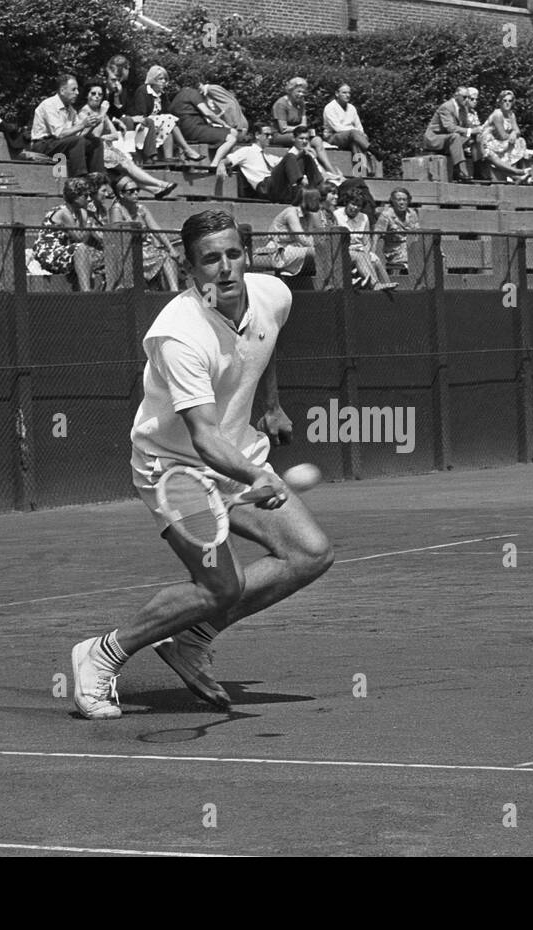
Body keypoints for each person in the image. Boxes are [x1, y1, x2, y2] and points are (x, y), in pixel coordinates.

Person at [70, 209, 333, 719]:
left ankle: (191, 639)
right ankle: (102, 653)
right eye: (210, 260)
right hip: (176, 469)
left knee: (310, 553)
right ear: (191, 271)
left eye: (234, 253)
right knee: (220, 585)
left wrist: (271, 404)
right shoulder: (179, 334)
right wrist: (255, 475)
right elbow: (204, 437)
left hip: (238, 452)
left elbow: (265, 339)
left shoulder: (273, 294)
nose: (226, 268)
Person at [78, 82, 177, 197]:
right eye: (93, 93)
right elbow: (95, 135)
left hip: (107, 150)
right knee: (127, 166)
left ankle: (155, 190)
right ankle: (160, 184)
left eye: (100, 94)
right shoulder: (84, 112)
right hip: (95, 153)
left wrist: (104, 134)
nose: (97, 96)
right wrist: (102, 117)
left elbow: (115, 135)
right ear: (87, 95)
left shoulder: (102, 113)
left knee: (126, 171)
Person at [33, 177, 105, 291]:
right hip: (50, 254)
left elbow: (85, 238)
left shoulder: (82, 212)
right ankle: (87, 293)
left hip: (67, 251)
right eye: (86, 196)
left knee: (95, 253)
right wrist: (90, 221)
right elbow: (79, 239)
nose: (89, 199)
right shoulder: (64, 212)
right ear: (75, 197)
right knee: (81, 249)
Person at [110, 176, 181, 291]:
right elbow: (118, 237)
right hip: (129, 251)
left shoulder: (141, 209)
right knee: (160, 255)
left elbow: (156, 230)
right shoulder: (117, 210)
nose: (136, 193)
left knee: (168, 256)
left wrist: (171, 248)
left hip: (147, 249)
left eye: (137, 190)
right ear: (121, 194)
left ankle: (174, 292)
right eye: (131, 191)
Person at [29, 74, 104, 177]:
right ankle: (79, 179)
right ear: (62, 91)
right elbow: (59, 134)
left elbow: (80, 134)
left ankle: (98, 178)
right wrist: (83, 124)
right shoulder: (49, 105)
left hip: (60, 143)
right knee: (77, 141)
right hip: (43, 144)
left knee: (96, 142)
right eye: (73, 89)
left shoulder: (71, 110)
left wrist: (92, 125)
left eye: (77, 89)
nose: (77, 93)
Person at [270, 77, 342, 178]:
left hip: (297, 133)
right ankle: (321, 173)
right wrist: (300, 128)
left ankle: (330, 169)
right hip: (280, 135)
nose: (301, 94)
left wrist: (301, 129)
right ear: (291, 90)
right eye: (298, 91)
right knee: (304, 140)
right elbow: (283, 128)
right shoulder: (281, 104)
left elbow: (304, 125)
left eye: (303, 92)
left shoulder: (301, 103)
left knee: (317, 140)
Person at [167, 73, 238, 170]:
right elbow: (207, 112)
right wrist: (224, 124)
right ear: (196, 83)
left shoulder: (177, 97)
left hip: (183, 131)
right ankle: (214, 164)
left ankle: (217, 156)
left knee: (231, 132)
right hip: (195, 129)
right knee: (232, 137)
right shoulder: (192, 93)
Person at [130, 65, 202, 162]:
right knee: (169, 120)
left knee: (169, 122)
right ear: (153, 79)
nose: (164, 81)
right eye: (160, 79)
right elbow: (141, 113)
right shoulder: (143, 91)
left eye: (165, 79)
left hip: (159, 123)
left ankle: (169, 158)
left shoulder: (162, 94)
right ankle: (187, 150)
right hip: (144, 123)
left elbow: (167, 111)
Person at [335, 192, 397, 290]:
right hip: (345, 251)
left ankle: (389, 287)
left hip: (361, 251)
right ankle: (375, 284)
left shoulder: (364, 217)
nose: (355, 208)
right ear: (347, 203)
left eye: (358, 206)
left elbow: (366, 241)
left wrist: (368, 253)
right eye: (353, 204)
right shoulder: (337, 215)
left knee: (375, 259)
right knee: (360, 256)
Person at [423, 86, 482, 183]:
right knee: (455, 137)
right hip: (435, 139)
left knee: (475, 137)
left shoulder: (464, 108)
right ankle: (462, 171)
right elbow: (450, 128)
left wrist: (477, 130)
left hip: (448, 139)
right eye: (464, 97)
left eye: (468, 97)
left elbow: (467, 125)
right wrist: (470, 131)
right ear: (456, 96)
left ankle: (478, 171)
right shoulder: (446, 107)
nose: (467, 100)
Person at [479, 89, 533, 184]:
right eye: (504, 100)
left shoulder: (511, 114)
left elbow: (517, 131)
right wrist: (512, 135)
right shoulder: (498, 114)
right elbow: (502, 135)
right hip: (489, 141)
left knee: (520, 140)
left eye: (510, 101)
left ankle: (516, 173)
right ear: (500, 101)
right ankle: (516, 174)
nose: (507, 103)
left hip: (501, 141)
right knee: (514, 142)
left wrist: (514, 133)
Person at [267, 187, 324, 276]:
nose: (320, 204)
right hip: (279, 250)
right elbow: (301, 237)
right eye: (317, 200)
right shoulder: (291, 212)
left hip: (296, 248)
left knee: (322, 251)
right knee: (318, 251)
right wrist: (320, 247)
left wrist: (321, 245)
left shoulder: (308, 215)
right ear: (309, 200)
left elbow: (311, 236)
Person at [322, 84, 373, 176]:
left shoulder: (352, 108)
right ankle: (371, 150)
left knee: (355, 143)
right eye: (344, 93)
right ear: (337, 94)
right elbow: (337, 128)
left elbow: (359, 126)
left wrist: (361, 135)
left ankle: (359, 173)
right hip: (333, 137)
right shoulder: (329, 108)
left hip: (351, 137)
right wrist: (355, 132)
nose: (347, 95)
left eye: (349, 93)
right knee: (354, 134)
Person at [265, 125, 324, 206]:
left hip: (292, 191)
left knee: (307, 158)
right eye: (301, 138)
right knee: (291, 157)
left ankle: (319, 191)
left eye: (306, 139)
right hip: (277, 188)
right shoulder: (289, 155)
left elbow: (318, 173)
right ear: (293, 138)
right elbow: (279, 171)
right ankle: (302, 185)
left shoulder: (307, 155)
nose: (304, 141)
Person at [218, 123, 280, 198]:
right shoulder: (247, 151)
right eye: (267, 135)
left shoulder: (268, 155)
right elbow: (228, 160)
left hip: (274, 186)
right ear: (257, 135)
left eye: (271, 135)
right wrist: (221, 164)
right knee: (290, 157)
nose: (270, 137)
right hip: (263, 187)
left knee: (292, 159)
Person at [373, 187, 420, 271]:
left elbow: (418, 233)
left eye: (404, 200)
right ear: (393, 201)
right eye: (398, 200)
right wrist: (372, 253)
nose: (402, 203)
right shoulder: (386, 215)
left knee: (437, 254)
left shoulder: (412, 214)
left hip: (412, 249)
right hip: (395, 252)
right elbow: (376, 235)